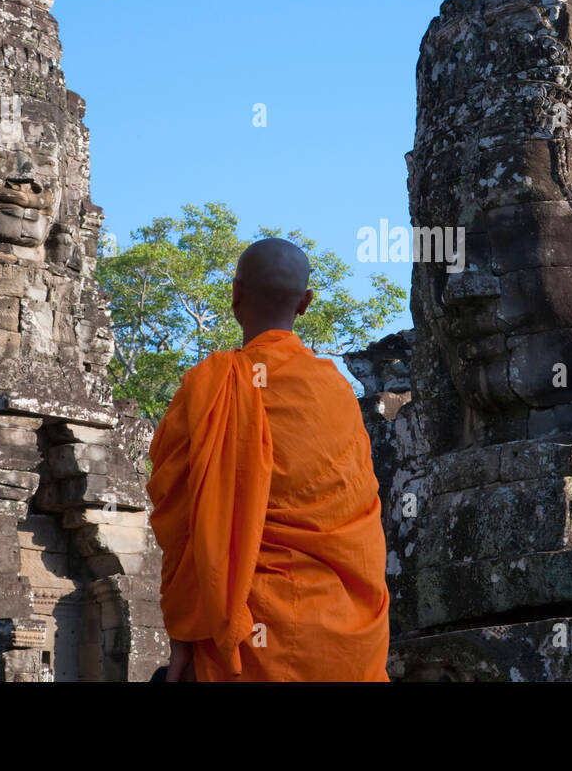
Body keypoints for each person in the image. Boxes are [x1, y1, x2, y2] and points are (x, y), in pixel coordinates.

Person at [146, 237, 391, 681]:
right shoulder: (336, 393)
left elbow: (184, 524)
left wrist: (185, 632)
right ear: (306, 303)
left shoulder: (207, 391)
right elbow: (360, 522)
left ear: (235, 293)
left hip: (241, 634)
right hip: (342, 640)